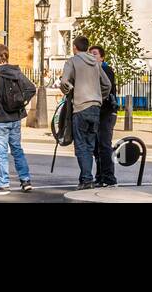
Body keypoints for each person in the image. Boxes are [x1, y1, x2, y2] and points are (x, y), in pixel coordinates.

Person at [0, 44, 36, 195]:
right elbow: (31, 88)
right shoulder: (16, 72)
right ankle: (25, 181)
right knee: (17, 150)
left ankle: (3, 184)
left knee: (1, 153)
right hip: (15, 118)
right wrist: (21, 101)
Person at [60, 36, 111, 190]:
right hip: (95, 107)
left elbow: (64, 82)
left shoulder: (72, 61)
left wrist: (70, 91)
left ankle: (87, 179)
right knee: (89, 145)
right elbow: (106, 84)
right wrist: (99, 96)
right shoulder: (96, 62)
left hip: (80, 107)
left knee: (81, 146)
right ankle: (85, 178)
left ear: (75, 47)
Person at [89, 45, 118, 188]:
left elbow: (106, 88)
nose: (92, 56)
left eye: (94, 54)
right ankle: (100, 176)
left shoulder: (106, 70)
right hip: (98, 113)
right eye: (90, 54)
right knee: (96, 147)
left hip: (107, 113)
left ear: (102, 57)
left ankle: (109, 177)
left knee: (104, 145)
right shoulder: (93, 70)